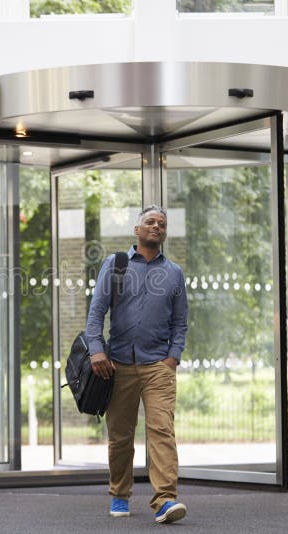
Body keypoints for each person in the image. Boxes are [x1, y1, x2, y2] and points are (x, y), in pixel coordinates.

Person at [85, 205, 188, 524]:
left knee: (162, 431)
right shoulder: (116, 265)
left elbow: (180, 322)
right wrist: (96, 350)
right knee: (120, 436)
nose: (157, 226)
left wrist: (172, 357)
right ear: (137, 229)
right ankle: (119, 493)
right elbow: (96, 312)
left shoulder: (174, 272)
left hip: (158, 366)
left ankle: (165, 500)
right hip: (118, 365)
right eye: (150, 222)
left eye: (162, 224)